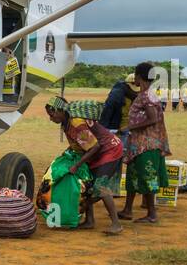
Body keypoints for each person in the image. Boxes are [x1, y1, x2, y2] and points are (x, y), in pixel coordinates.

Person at [44, 98, 124, 234]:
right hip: (97, 152)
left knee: (100, 186)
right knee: (87, 184)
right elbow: (79, 142)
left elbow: (95, 147)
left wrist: (77, 165)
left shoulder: (76, 124)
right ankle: (89, 220)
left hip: (109, 150)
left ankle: (116, 224)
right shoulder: (67, 123)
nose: (51, 119)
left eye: (52, 115)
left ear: (61, 111)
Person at [119, 61, 171, 224]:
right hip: (138, 144)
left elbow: (152, 118)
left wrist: (130, 126)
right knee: (133, 176)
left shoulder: (148, 96)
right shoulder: (145, 95)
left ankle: (152, 214)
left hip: (147, 144)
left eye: (135, 74)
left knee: (148, 177)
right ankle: (128, 209)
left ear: (139, 76)